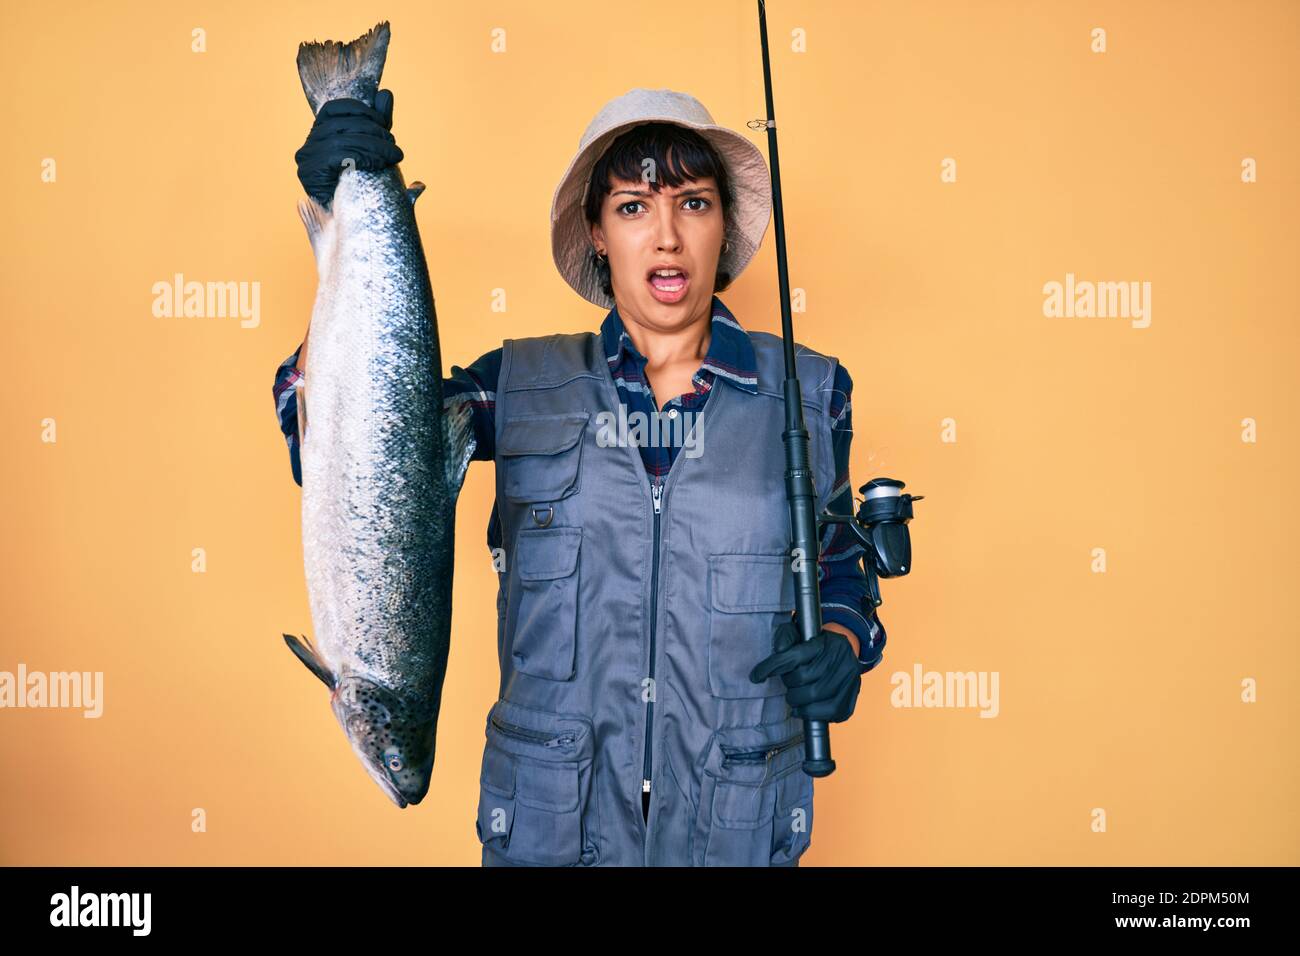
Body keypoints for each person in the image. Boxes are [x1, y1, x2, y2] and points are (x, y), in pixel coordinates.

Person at [275, 87, 888, 866]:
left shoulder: (812, 393)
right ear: (598, 234)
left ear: (723, 224)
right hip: (547, 830)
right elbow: (347, 444)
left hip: (737, 827)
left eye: (693, 203)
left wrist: (841, 640)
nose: (666, 236)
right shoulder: (515, 388)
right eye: (633, 207)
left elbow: (839, 564)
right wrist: (348, 206)